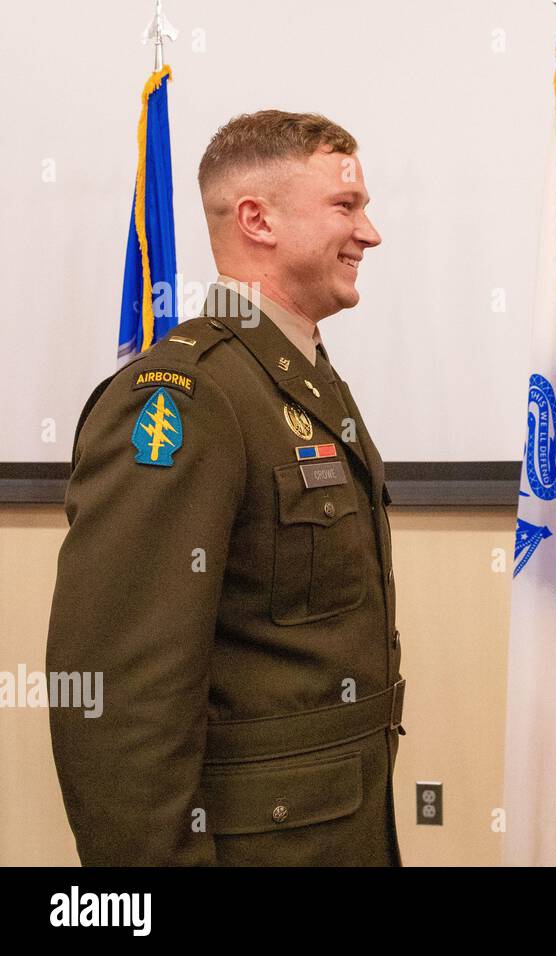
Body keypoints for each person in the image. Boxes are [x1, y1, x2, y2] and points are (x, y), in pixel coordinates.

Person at [46, 110, 403, 865]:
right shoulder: (184, 397)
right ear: (257, 220)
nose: (370, 233)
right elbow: (121, 702)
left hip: (338, 829)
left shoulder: (301, 377)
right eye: (346, 207)